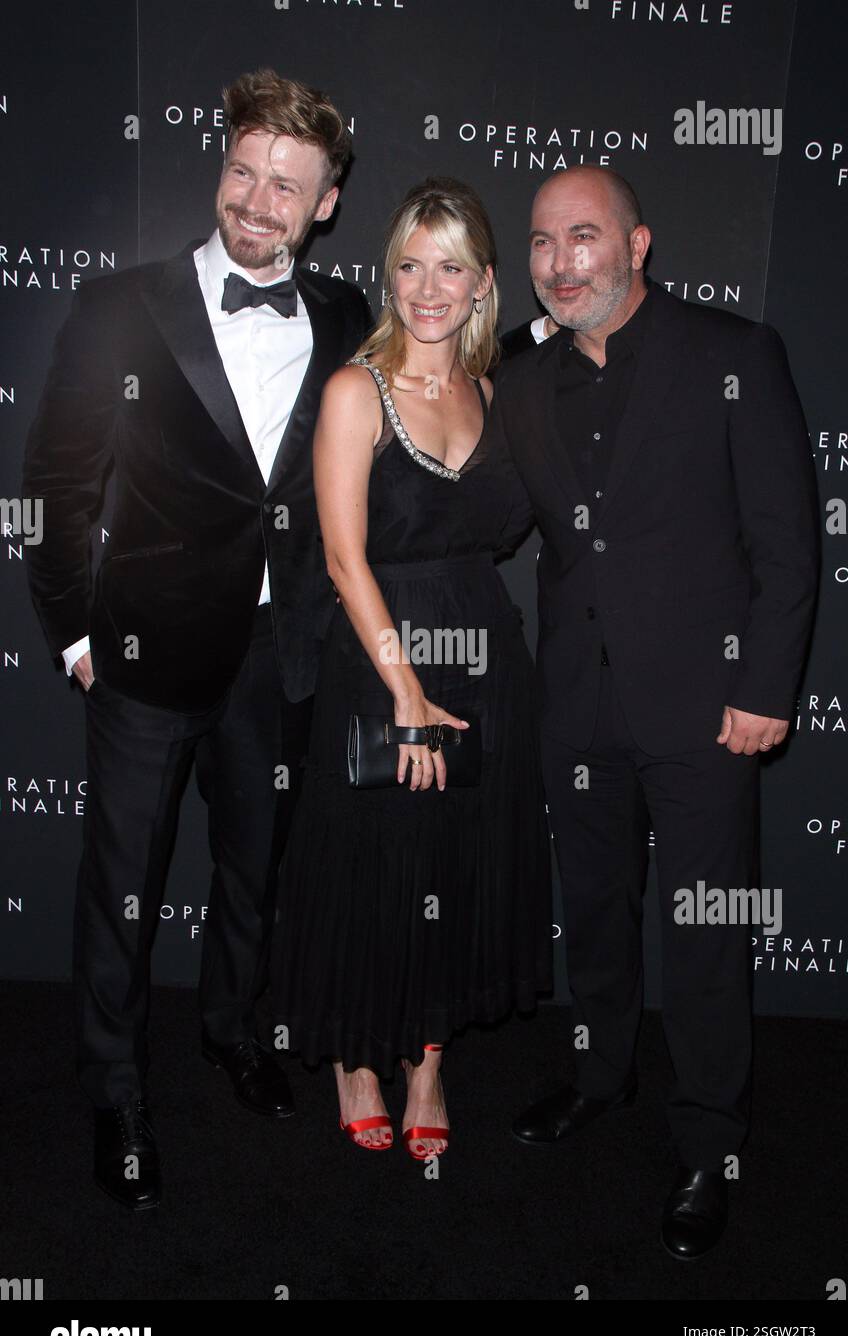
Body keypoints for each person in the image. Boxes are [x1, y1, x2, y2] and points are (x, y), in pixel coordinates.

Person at [21, 69, 370, 1211]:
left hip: (279, 658)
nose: (257, 201)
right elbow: (56, 479)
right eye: (243, 172)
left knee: (251, 873)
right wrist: (76, 632)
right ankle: (115, 1089)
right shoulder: (125, 302)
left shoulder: (342, 316)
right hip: (144, 652)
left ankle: (232, 1032)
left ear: (323, 205)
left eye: (286, 185)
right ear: (220, 170)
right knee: (123, 884)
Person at [492, 165, 819, 1256]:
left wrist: (763, 689)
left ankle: (705, 1143)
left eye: (581, 237)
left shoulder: (732, 354)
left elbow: (784, 542)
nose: (558, 261)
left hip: (703, 713)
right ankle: (597, 1073)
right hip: (576, 709)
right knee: (591, 914)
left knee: (704, 938)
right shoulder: (524, 381)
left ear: (637, 245)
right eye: (539, 243)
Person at [270, 176, 552, 1158]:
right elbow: (343, 557)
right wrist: (405, 693)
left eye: (451, 266)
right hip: (379, 652)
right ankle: (356, 1053)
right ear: (386, 274)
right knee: (373, 861)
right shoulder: (358, 389)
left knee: (455, 861)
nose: (428, 286)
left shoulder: (492, 393)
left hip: (481, 653)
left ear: (482, 283)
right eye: (409, 263)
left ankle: (426, 1062)